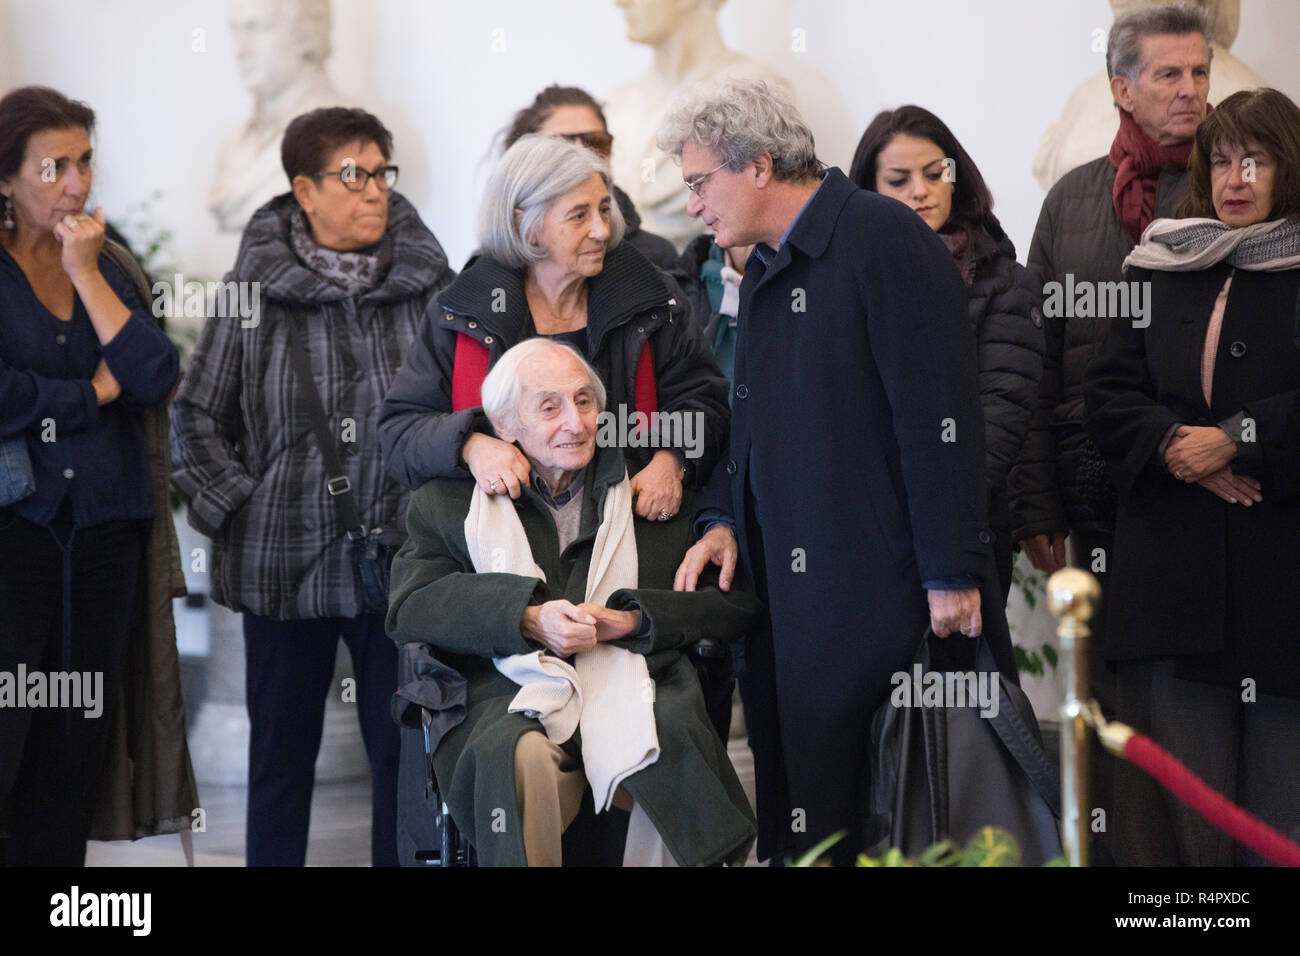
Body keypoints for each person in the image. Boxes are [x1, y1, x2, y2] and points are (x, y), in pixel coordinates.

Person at [661, 78, 1017, 863]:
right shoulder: (761, 266)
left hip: (879, 601)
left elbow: (940, 421)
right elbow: (751, 423)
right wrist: (721, 520)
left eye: (697, 183)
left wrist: (952, 572)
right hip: (787, 601)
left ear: (755, 166)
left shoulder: (882, 236)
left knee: (883, 820)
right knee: (806, 824)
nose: (692, 206)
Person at [171, 107, 454, 866]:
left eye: (382, 173)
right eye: (352, 176)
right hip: (282, 566)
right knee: (281, 764)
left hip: (403, 563)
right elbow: (194, 419)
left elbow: (469, 410)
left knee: (404, 759)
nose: (374, 192)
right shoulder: (251, 293)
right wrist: (242, 507)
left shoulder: (432, 286)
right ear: (304, 189)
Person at [386, 338, 759, 866]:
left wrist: (633, 620)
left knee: (661, 745)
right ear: (505, 425)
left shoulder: (647, 492)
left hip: (639, 688)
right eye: (550, 407)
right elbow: (410, 607)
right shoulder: (447, 503)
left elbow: (734, 604)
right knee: (521, 756)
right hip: (509, 693)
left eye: (584, 402)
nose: (575, 422)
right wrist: (526, 617)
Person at [1009, 3, 1213, 864]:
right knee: (1106, 713)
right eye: (1170, 74)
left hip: (1205, 502)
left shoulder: (1235, 188)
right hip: (1094, 505)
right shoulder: (1071, 201)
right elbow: (1035, 363)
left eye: (1201, 73)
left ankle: (1208, 893)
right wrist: (1036, 502)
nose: (1192, 91)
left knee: (1201, 713)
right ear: (1120, 86)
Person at [1084, 87, 1300, 866]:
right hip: (1173, 582)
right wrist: (1181, 446)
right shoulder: (1162, 260)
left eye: (1256, 159)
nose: (1235, 178)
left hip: (1281, 587)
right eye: (1220, 161)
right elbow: (1105, 391)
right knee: (1182, 813)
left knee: (1280, 812)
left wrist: (1238, 440)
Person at [0, 86, 194, 865]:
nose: (77, 183)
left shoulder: (106, 262)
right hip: (15, 537)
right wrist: (89, 395)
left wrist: (85, 276)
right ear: (7, 179)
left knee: (77, 748)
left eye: (84, 161)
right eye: (54, 166)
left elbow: (155, 373)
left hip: (107, 534)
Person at [377, 134, 729, 527]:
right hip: (498, 546)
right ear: (525, 225)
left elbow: (707, 403)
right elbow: (400, 433)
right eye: (579, 215)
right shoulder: (462, 311)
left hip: (632, 533)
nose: (601, 229)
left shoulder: (653, 299)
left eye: (604, 209)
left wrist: (672, 461)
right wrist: (471, 447)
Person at [851, 105, 1044, 601]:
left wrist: (924, 524)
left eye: (936, 174)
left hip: (960, 534)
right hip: (862, 536)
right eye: (899, 179)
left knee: (961, 677)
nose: (920, 190)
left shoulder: (1005, 282)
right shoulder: (846, 278)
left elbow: (997, 426)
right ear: (869, 190)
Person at [499, 85, 679, 274]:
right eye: (560, 146)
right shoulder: (494, 268)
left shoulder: (655, 257)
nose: (583, 155)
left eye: (597, 142)